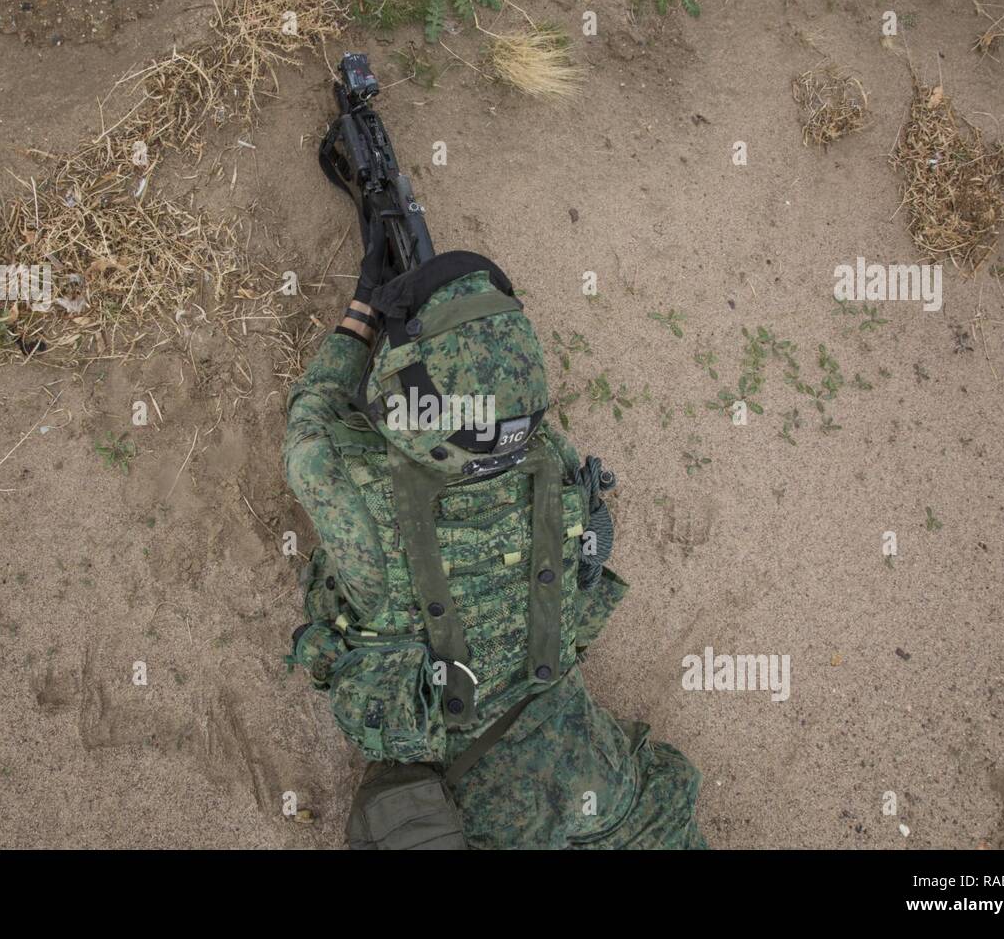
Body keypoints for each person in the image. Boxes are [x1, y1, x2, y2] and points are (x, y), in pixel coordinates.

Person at [282, 246, 706, 849]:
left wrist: (360, 319)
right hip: (598, 785)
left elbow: (310, 419)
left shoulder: (358, 488)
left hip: (468, 816)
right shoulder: (552, 463)